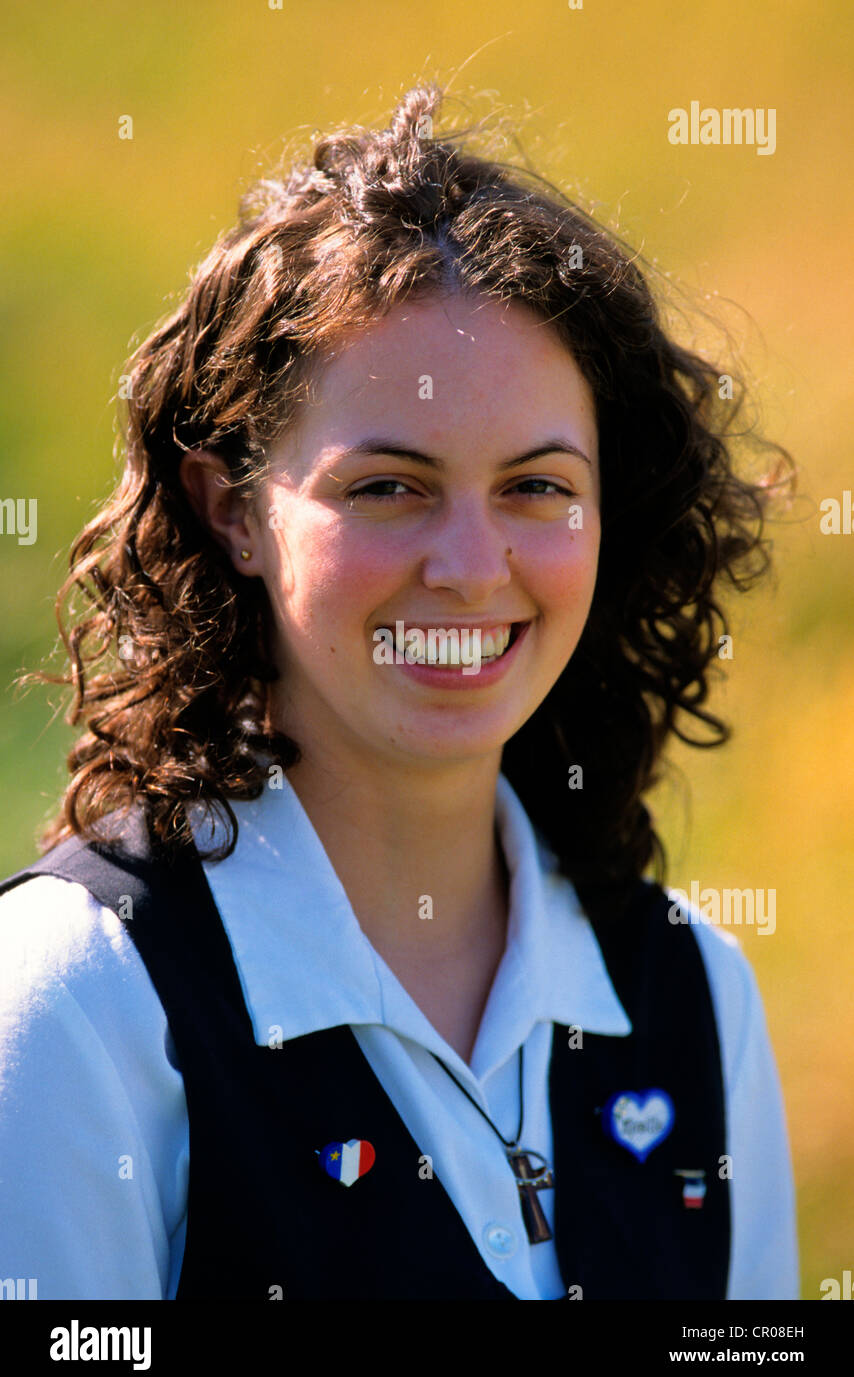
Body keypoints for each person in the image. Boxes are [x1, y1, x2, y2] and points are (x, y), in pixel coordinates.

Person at [0, 82, 798, 1300]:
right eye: (387, 487)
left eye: (535, 486)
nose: (472, 570)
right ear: (235, 513)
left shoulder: (693, 996)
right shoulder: (79, 1002)